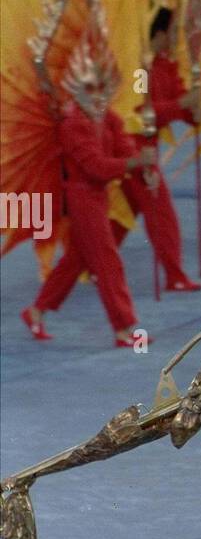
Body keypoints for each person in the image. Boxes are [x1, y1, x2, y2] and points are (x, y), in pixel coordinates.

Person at [21, 67, 154, 348]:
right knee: (107, 261)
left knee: (76, 261)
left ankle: (36, 311)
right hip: (80, 198)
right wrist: (134, 164)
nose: (98, 94)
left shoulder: (107, 118)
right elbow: (96, 167)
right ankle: (124, 326)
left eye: (101, 87)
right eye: (90, 88)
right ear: (76, 90)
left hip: (98, 197)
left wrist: (143, 166)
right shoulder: (71, 125)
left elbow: (124, 146)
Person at [114, 7, 201, 293]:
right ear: (161, 33)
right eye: (174, 29)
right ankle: (174, 275)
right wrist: (183, 105)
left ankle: (90, 264)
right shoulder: (138, 66)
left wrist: (195, 110)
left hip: (147, 148)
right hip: (133, 146)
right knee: (161, 214)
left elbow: (183, 106)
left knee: (123, 213)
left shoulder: (166, 65)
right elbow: (140, 112)